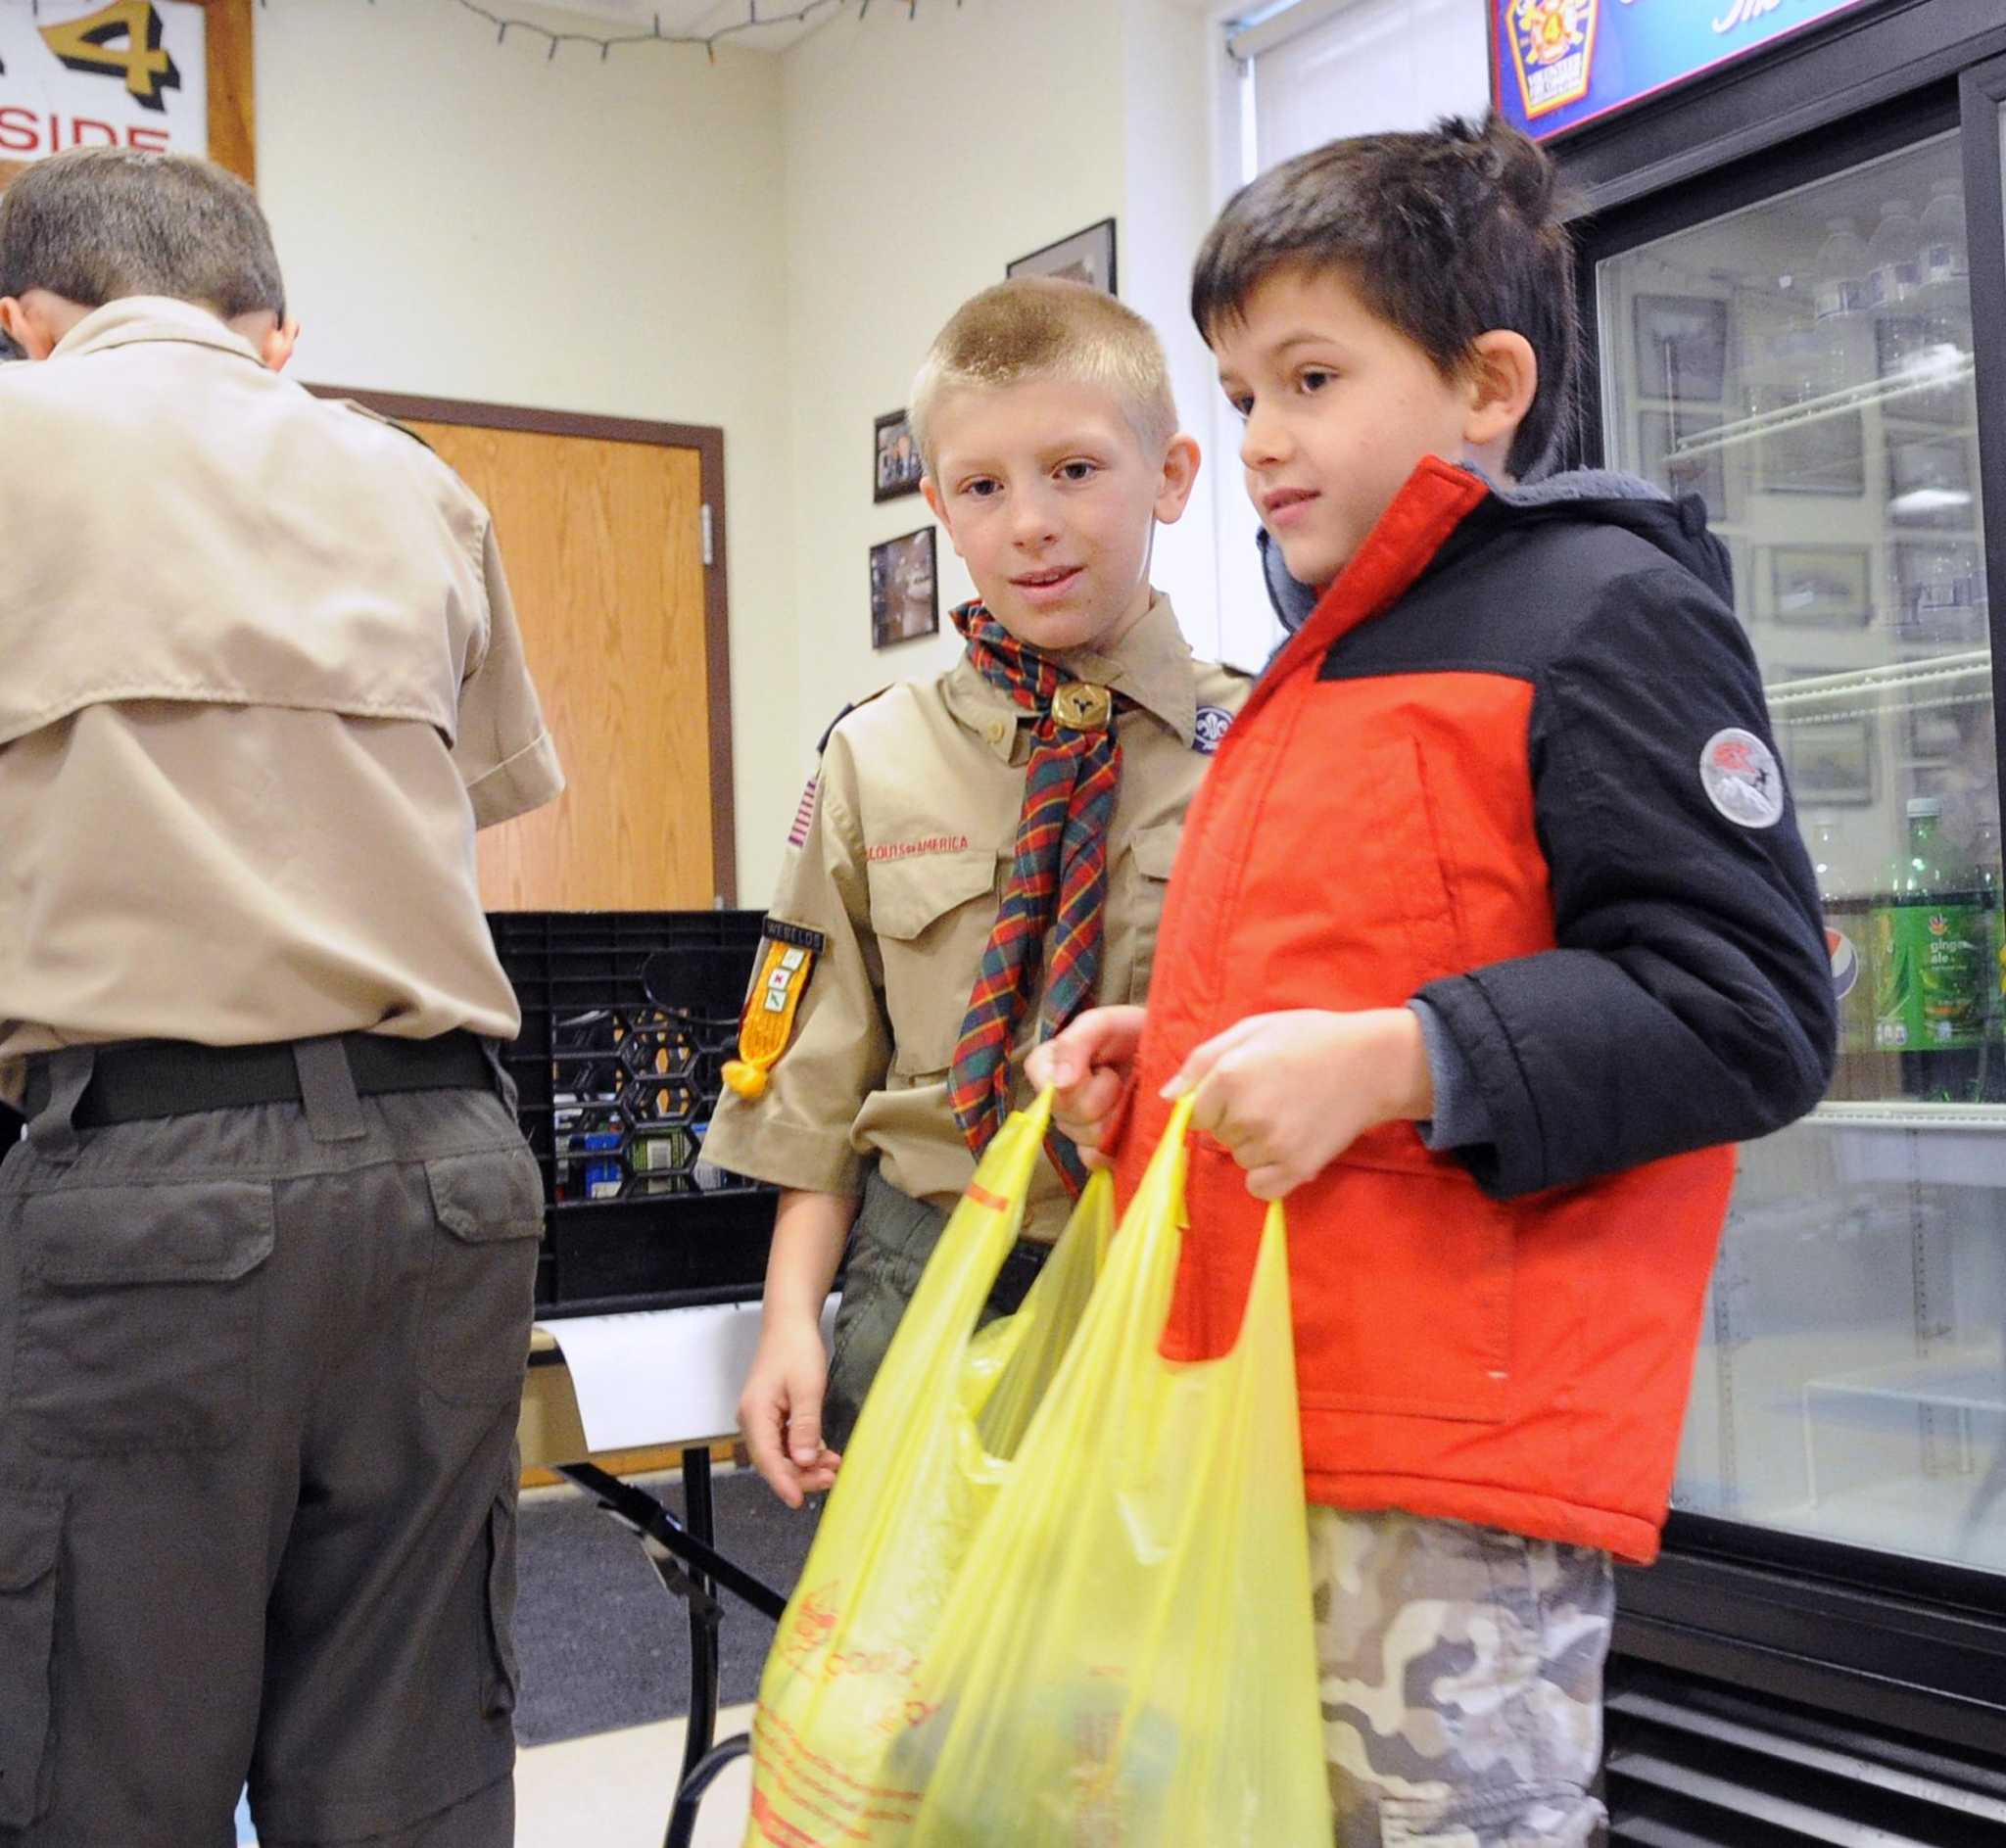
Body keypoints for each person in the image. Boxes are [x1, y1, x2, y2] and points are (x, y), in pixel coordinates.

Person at [1029, 115, 1836, 1846]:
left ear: (1485, 383)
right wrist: (1159, 1055)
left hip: (1447, 1452)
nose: (1260, 439)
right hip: (1251, 1406)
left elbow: (1751, 1009)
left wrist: (1398, 1058)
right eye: (1241, 393)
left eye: (1311, 379)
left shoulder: (1604, 610)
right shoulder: (1315, 664)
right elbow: (1364, 953)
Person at [0, 149, 561, 1847]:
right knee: (406, 1771)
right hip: (448, 1176)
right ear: (266, 327)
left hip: (149, 1187)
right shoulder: (411, 479)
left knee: (104, 1768)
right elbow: (490, 787)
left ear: (28, 320)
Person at [705, 277, 1252, 1507]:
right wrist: (788, 1321)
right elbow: (818, 1083)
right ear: (940, 509)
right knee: (914, 1629)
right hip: (926, 1278)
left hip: (1177, 1278)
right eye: (983, 487)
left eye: (1074, 470)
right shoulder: (873, 758)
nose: (1031, 525)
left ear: (1169, 476)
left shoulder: (1265, 741)